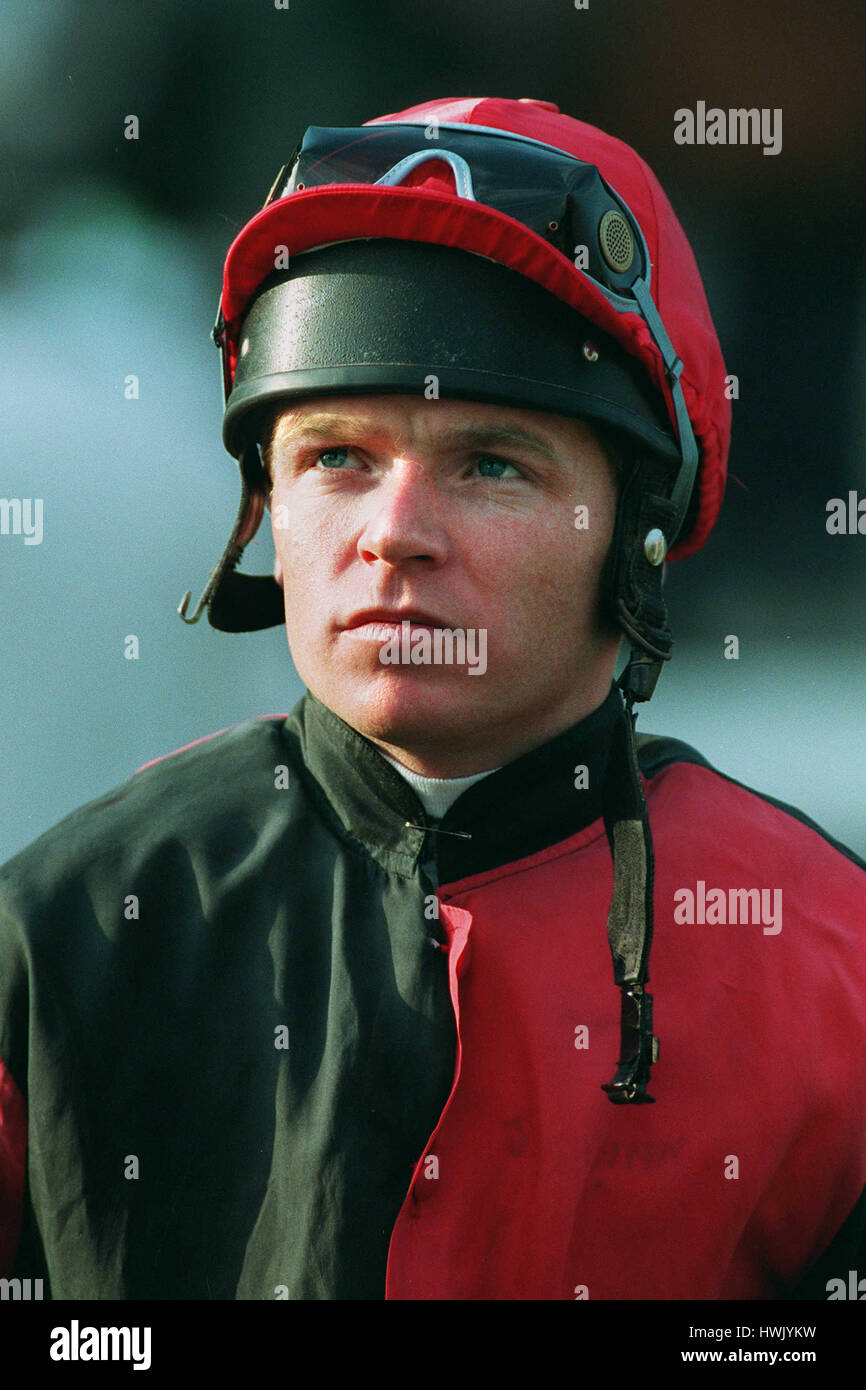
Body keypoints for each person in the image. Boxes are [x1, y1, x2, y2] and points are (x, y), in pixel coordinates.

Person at [1, 95, 863, 1302]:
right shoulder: (60, 928)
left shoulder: (832, 968)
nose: (394, 533)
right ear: (264, 508)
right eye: (335, 457)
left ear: (637, 533)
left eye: (490, 464)